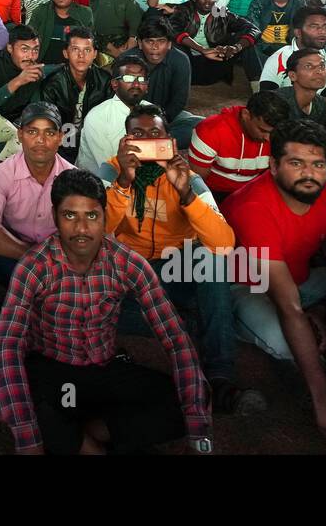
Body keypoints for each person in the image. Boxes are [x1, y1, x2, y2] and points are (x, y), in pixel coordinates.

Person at [0, 168, 213, 455]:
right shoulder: (34, 266)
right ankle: (92, 440)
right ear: (55, 216)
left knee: (190, 400)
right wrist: (29, 443)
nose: (82, 229)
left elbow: (174, 337)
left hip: (104, 368)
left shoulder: (127, 263)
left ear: (105, 216)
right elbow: (7, 345)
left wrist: (197, 426)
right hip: (51, 369)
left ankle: (87, 434)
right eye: (70, 215)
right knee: (12, 398)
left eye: (92, 216)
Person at [105, 104, 263, 413]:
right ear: (125, 141)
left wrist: (186, 193)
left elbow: (224, 244)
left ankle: (220, 375)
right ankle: (197, 322)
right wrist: (124, 182)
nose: (148, 141)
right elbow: (96, 233)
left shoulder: (187, 177)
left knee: (211, 258)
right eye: (138, 134)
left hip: (176, 269)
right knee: (92, 308)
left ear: (170, 141)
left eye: (156, 134)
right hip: (131, 274)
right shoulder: (109, 170)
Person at [222, 119, 326, 449]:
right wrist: (324, 399)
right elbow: (287, 304)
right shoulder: (254, 206)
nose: (309, 174)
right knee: (286, 342)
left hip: (298, 281)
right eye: (296, 164)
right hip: (245, 287)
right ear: (274, 165)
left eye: (318, 164)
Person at [0, 103, 75, 285]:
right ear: (20, 135)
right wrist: (35, 257)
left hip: (58, 255)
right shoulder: (1, 173)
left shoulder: (72, 177)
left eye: (49, 133)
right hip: (13, 253)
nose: (41, 140)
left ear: (60, 138)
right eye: (32, 132)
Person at [188, 90, 289, 201]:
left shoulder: (281, 134)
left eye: (273, 132)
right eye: (262, 130)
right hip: (213, 193)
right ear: (246, 115)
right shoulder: (210, 131)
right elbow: (197, 183)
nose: (268, 138)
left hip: (254, 192)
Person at [75, 50, 155, 178]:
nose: (136, 84)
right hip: (99, 185)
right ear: (114, 84)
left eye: (141, 79)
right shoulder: (98, 117)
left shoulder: (153, 111)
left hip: (144, 177)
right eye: (128, 78)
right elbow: (109, 169)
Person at [39, 27, 111, 160]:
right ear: (66, 53)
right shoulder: (53, 84)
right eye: (75, 49)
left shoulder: (105, 80)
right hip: (63, 145)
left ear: (95, 54)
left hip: (95, 142)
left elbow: (109, 121)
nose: (81, 55)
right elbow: (48, 125)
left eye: (87, 50)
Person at [170, 0, 258, 86]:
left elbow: (253, 29)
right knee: (172, 42)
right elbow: (174, 29)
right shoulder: (184, 9)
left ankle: (256, 82)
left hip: (213, 58)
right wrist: (202, 49)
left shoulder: (221, 12)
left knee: (247, 39)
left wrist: (236, 47)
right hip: (188, 59)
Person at [134, 16, 203, 149]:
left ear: (170, 44)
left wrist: (160, 122)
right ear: (140, 44)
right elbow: (120, 102)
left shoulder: (180, 60)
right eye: (149, 41)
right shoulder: (128, 62)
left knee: (201, 126)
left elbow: (179, 101)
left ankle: (152, 144)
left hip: (167, 117)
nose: (155, 47)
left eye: (161, 41)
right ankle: (159, 144)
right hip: (133, 119)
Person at [0, 24, 61, 121]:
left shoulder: (35, 70)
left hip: (21, 122)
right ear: (10, 48)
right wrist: (18, 81)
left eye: (35, 50)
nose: (30, 56)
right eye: (25, 49)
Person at [27, 0, 93, 65]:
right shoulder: (41, 11)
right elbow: (28, 39)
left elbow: (91, 41)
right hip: (45, 66)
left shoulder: (85, 13)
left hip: (74, 67)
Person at [276, 48, 326, 123]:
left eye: (322, 66)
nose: (319, 71)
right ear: (293, 76)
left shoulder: (321, 104)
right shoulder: (277, 100)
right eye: (308, 66)